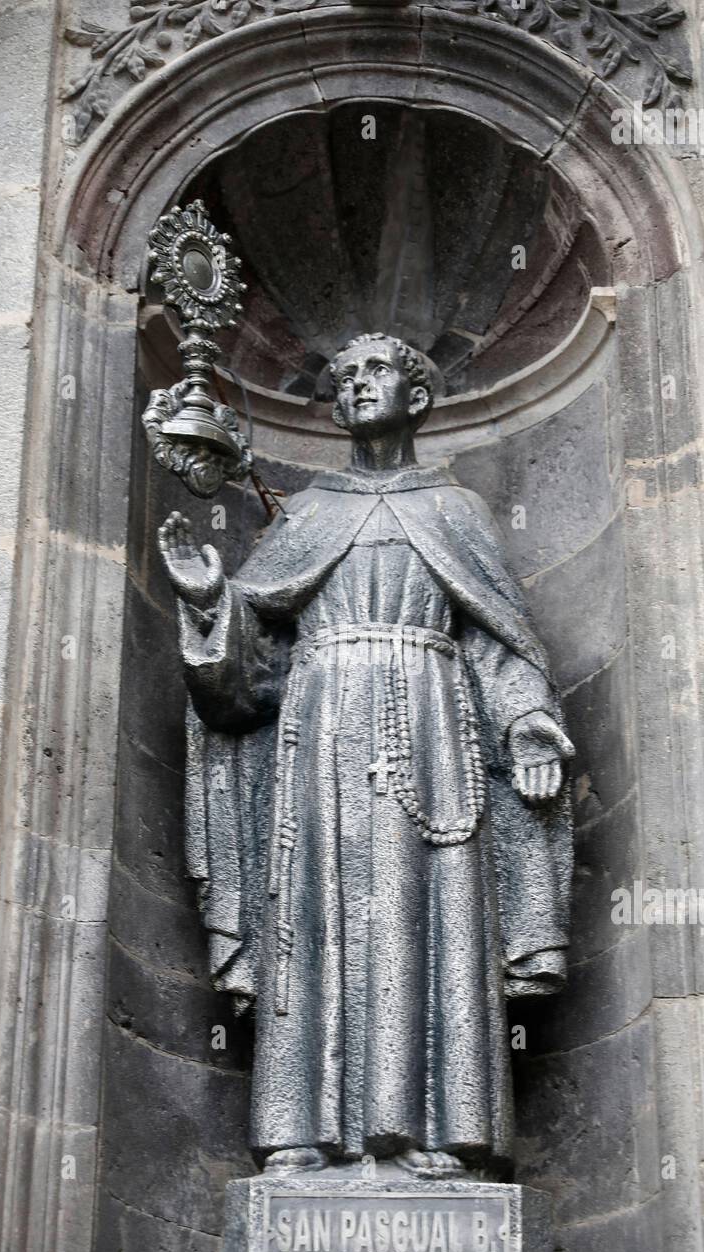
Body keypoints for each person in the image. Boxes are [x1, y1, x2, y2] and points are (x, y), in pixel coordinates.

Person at [158, 332, 573, 1178]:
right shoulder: (308, 513)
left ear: (419, 396)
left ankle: (435, 1131)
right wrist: (213, 601)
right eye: (343, 376)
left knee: (434, 915)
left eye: (375, 370)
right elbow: (251, 673)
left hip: (433, 732)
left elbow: (498, 642)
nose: (355, 385)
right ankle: (299, 1131)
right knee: (311, 913)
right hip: (319, 738)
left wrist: (528, 724)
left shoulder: (456, 512)